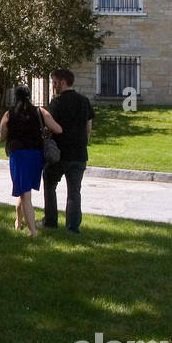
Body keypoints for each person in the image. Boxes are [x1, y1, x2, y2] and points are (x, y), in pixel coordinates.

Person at [0, 83, 62, 237]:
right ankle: (18, 222)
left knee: (24, 193)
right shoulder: (40, 112)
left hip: (18, 155)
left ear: (15, 96)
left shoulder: (9, 114)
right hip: (36, 155)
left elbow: (2, 136)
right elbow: (58, 129)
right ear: (30, 96)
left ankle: (32, 231)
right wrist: (45, 131)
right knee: (24, 191)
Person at [42, 68, 95, 234]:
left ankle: (50, 221)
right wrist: (82, 143)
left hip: (60, 154)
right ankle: (72, 228)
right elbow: (88, 128)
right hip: (79, 154)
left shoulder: (56, 103)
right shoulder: (84, 101)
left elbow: (49, 127)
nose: (53, 86)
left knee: (50, 183)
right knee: (74, 191)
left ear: (63, 82)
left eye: (55, 82)